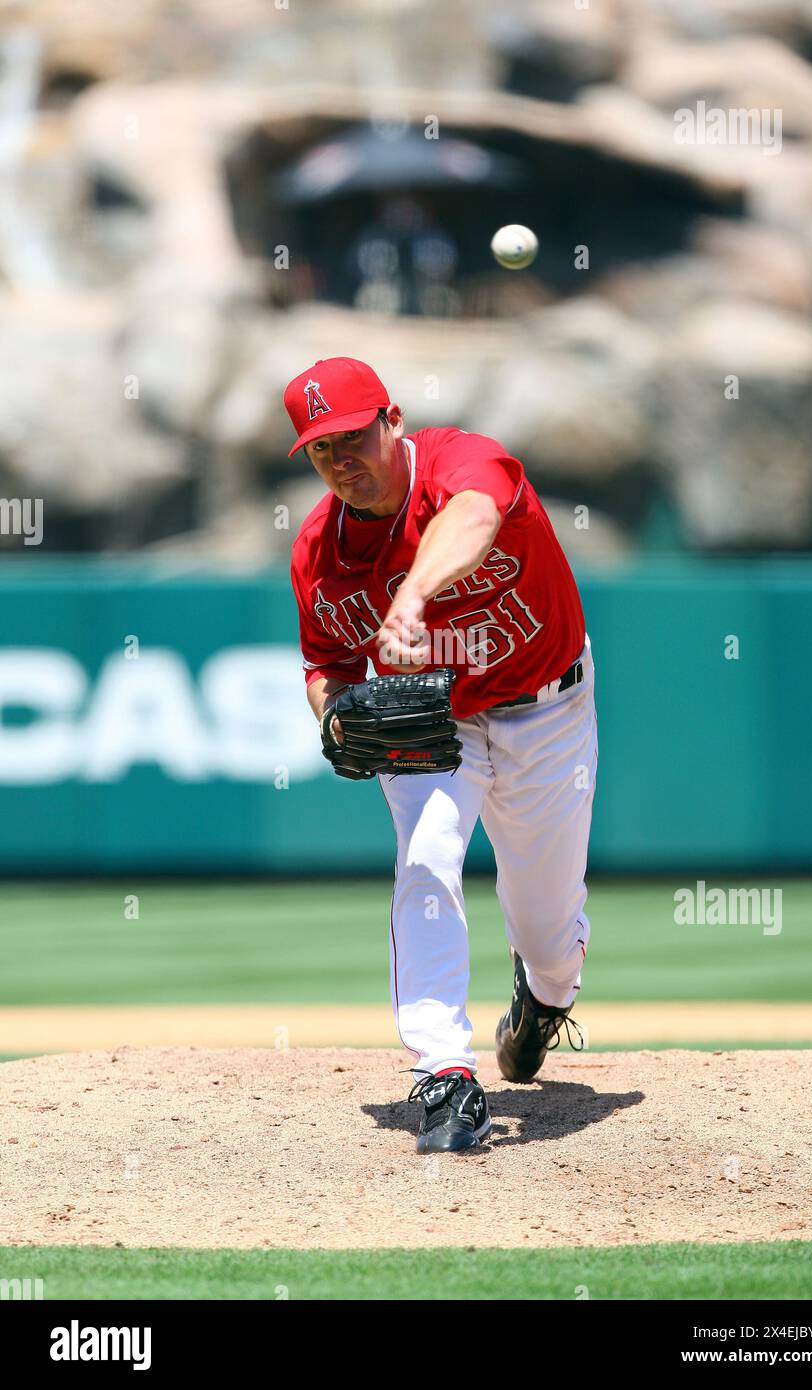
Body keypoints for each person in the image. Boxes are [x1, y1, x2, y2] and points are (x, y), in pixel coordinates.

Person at [287, 356, 598, 1154]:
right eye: (322, 451)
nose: (341, 462)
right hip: (435, 725)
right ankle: (444, 1072)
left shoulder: (463, 458)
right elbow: (324, 665)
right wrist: (332, 718)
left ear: (393, 420)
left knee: (548, 923)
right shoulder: (320, 551)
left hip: (547, 706)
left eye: (353, 438)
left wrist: (412, 593)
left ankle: (544, 996)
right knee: (426, 860)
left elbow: (475, 517)